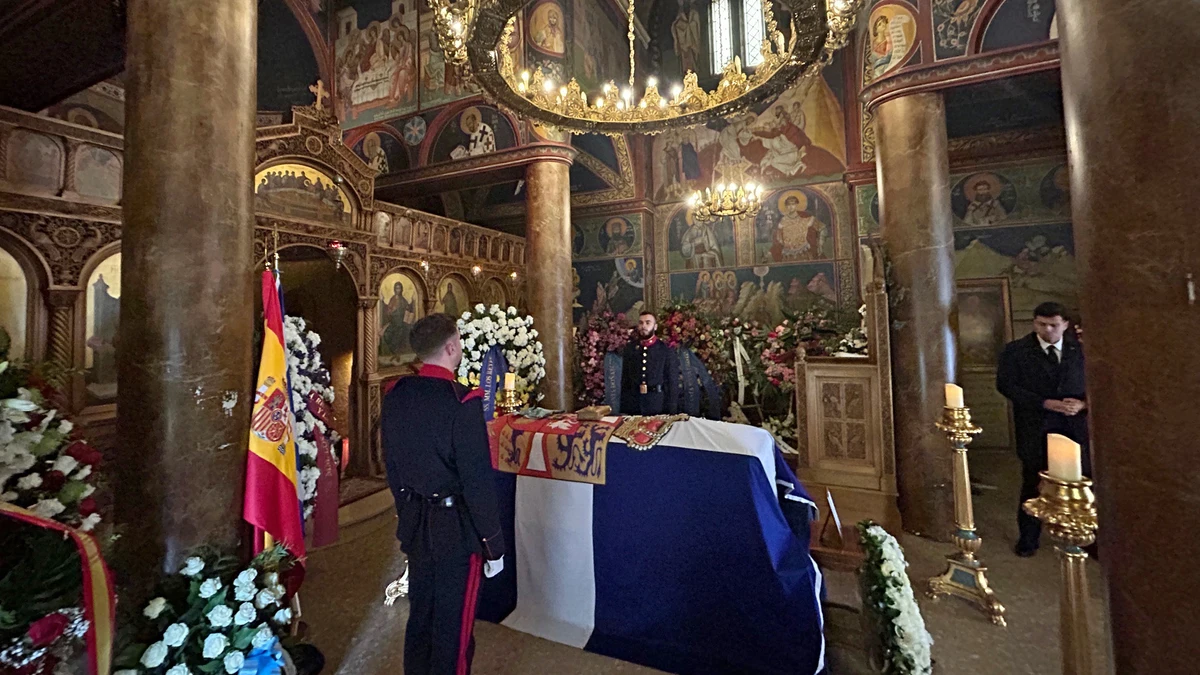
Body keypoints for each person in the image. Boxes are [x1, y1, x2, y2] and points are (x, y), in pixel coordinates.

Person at [382, 314, 505, 675]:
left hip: (417, 523)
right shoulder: (463, 402)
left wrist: (408, 515)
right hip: (457, 531)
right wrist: (493, 543)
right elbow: (477, 481)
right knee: (454, 622)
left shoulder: (396, 394)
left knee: (421, 612)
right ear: (451, 347)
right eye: (460, 341)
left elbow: (392, 465)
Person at [996, 302, 1090, 557]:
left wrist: (1082, 403)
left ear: (1065, 325)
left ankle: (1088, 539)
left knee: (1082, 485)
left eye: (1053, 325)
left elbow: (1099, 383)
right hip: (1036, 428)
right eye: (1041, 324)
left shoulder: (1081, 349)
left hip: (1075, 429)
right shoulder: (1017, 351)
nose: (1047, 330)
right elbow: (1006, 385)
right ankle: (1028, 538)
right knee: (1033, 485)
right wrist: (1044, 403)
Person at [620, 312, 680, 415]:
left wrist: (672, 410)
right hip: (634, 403)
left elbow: (672, 382)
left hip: (657, 403)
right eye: (641, 323)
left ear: (655, 326)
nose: (644, 326)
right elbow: (625, 381)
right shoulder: (630, 349)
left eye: (648, 323)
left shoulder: (664, 350)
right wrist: (624, 408)